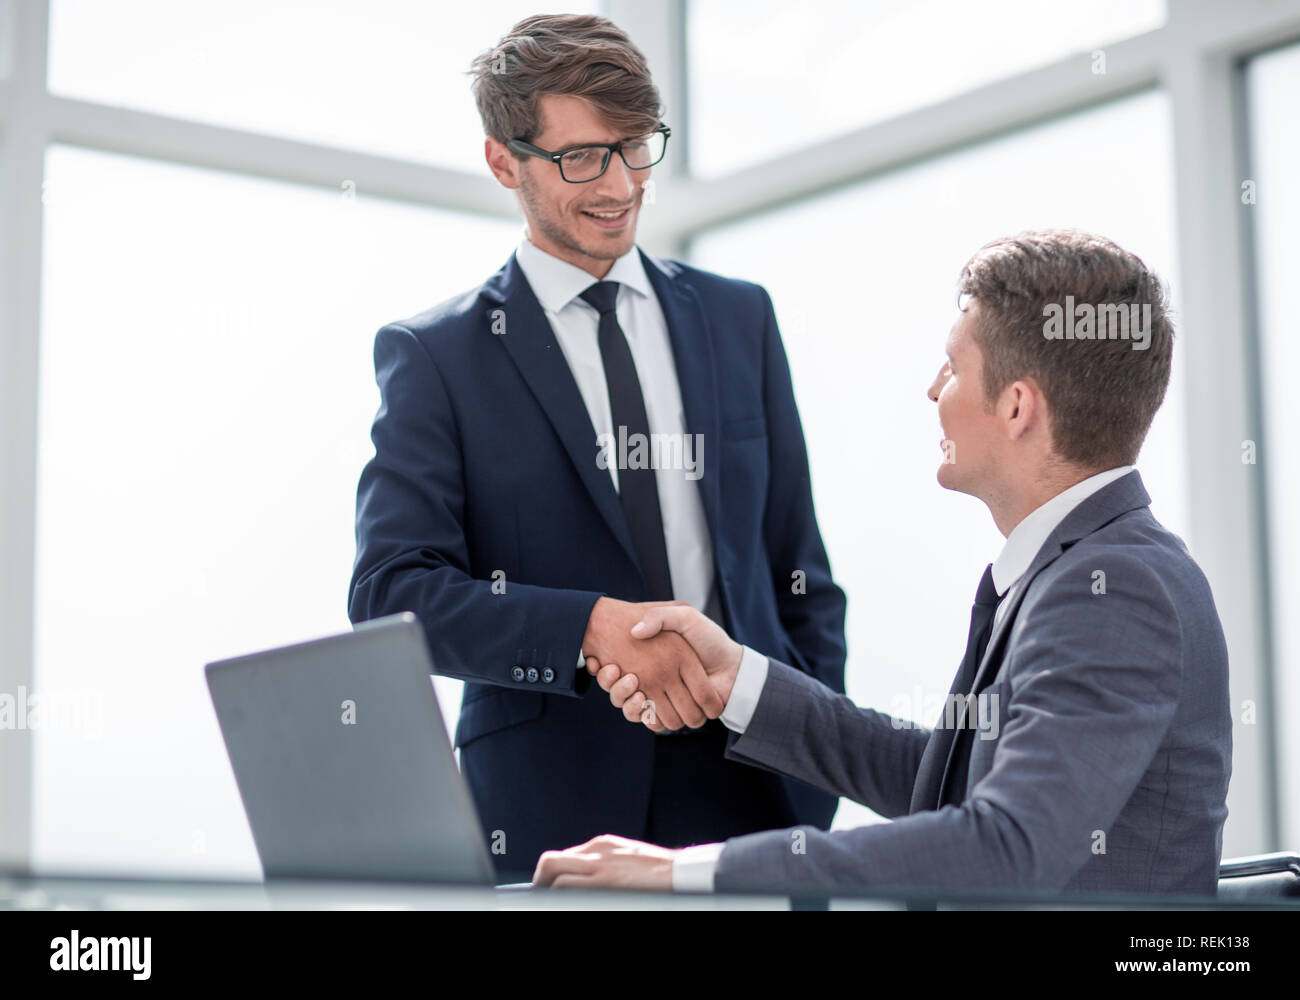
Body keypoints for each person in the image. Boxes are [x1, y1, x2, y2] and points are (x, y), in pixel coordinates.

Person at [536, 230, 1233, 897]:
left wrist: (685, 873)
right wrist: (738, 679)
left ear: (1019, 405)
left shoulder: (1112, 588)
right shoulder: (1079, 569)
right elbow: (945, 782)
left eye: (954, 368)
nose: (935, 391)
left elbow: (1006, 849)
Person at [347, 14, 846, 880]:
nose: (618, 184)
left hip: (757, 793)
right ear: (505, 162)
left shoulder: (741, 320)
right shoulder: (437, 356)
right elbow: (392, 593)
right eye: (581, 156)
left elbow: (798, 569)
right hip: (553, 810)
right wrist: (587, 628)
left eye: (634, 147)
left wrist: (812, 757)